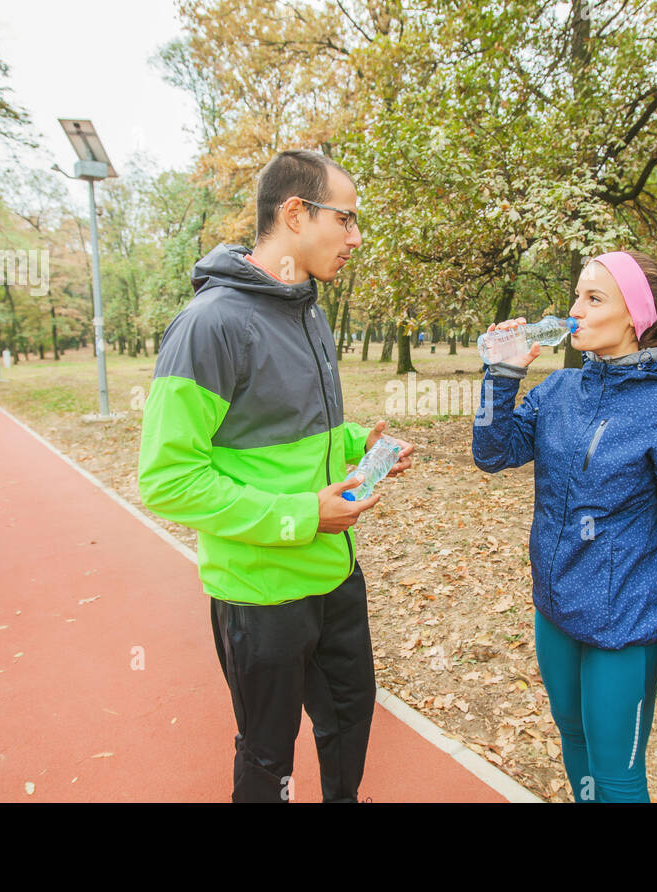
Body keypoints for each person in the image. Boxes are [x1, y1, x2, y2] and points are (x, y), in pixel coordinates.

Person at [138, 149, 414, 803]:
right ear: (296, 212)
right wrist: (301, 515)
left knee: (350, 722)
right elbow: (168, 479)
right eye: (345, 219)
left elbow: (281, 430)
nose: (355, 237)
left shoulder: (309, 311)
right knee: (268, 759)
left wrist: (355, 442)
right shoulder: (209, 326)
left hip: (336, 576)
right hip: (261, 596)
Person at [471, 250, 657, 802]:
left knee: (618, 779)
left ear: (635, 317)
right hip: (554, 610)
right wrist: (502, 375)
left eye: (593, 297)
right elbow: (491, 454)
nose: (575, 309)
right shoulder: (558, 392)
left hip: (624, 625)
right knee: (574, 741)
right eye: (576, 295)